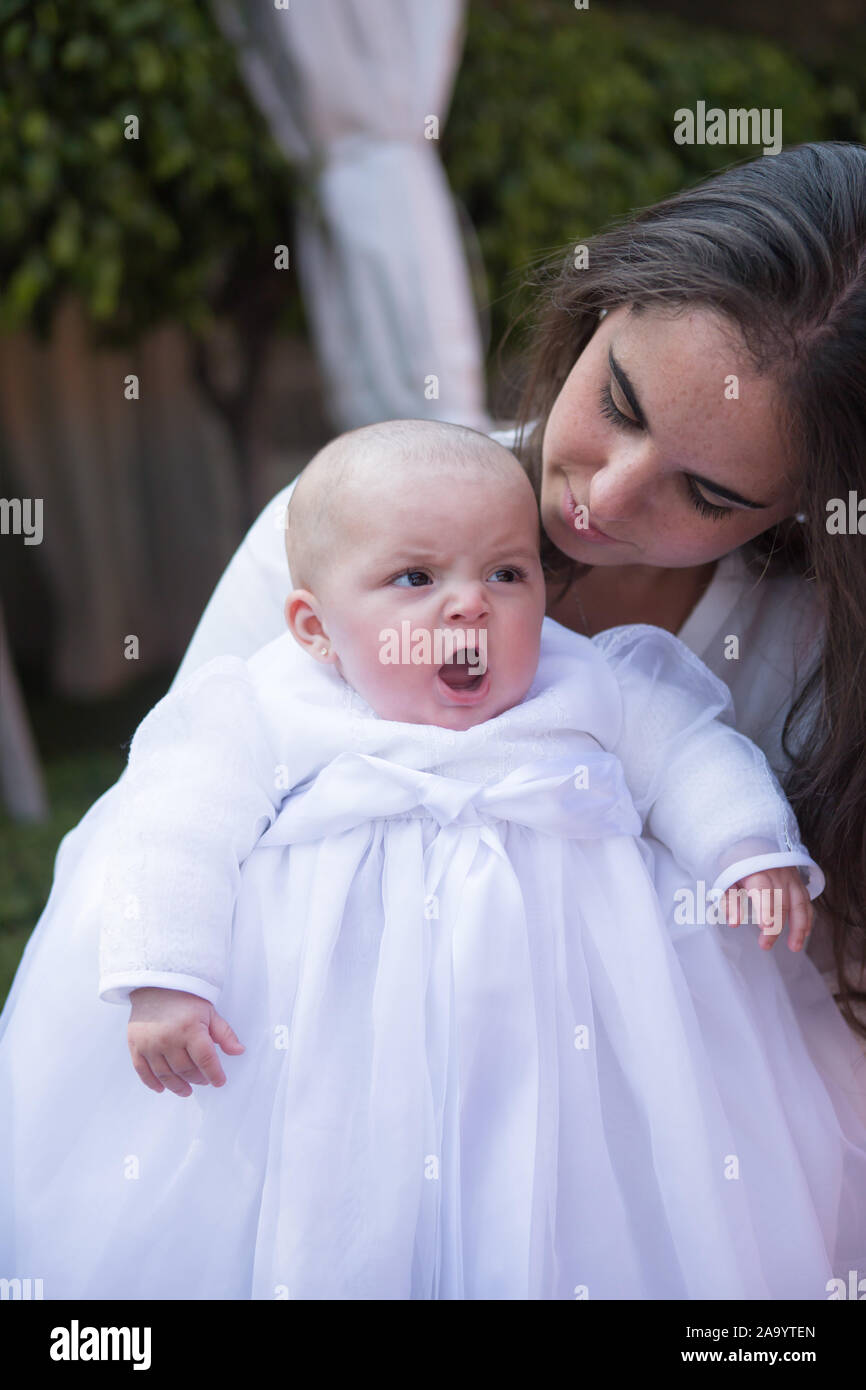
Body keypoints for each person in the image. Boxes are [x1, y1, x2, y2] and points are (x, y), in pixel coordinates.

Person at [2, 420, 863, 1302]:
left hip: (564, 1017)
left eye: (506, 573)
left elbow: (687, 751)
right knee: (343, 1201)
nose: (470, 604)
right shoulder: (269, 704)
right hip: (335, 1025)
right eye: (415, 578)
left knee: (562, 1190)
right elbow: (180, 815)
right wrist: (168, 973)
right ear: (314, 626)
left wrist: (747, 846)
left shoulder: (587, 682)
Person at [167, 142, 866, 1044]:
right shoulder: (346, 532)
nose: (604, 497)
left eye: (710, 494)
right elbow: (186, 797)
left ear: (807, 505)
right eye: (619, 403)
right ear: (601, 307)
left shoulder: (812, 648)